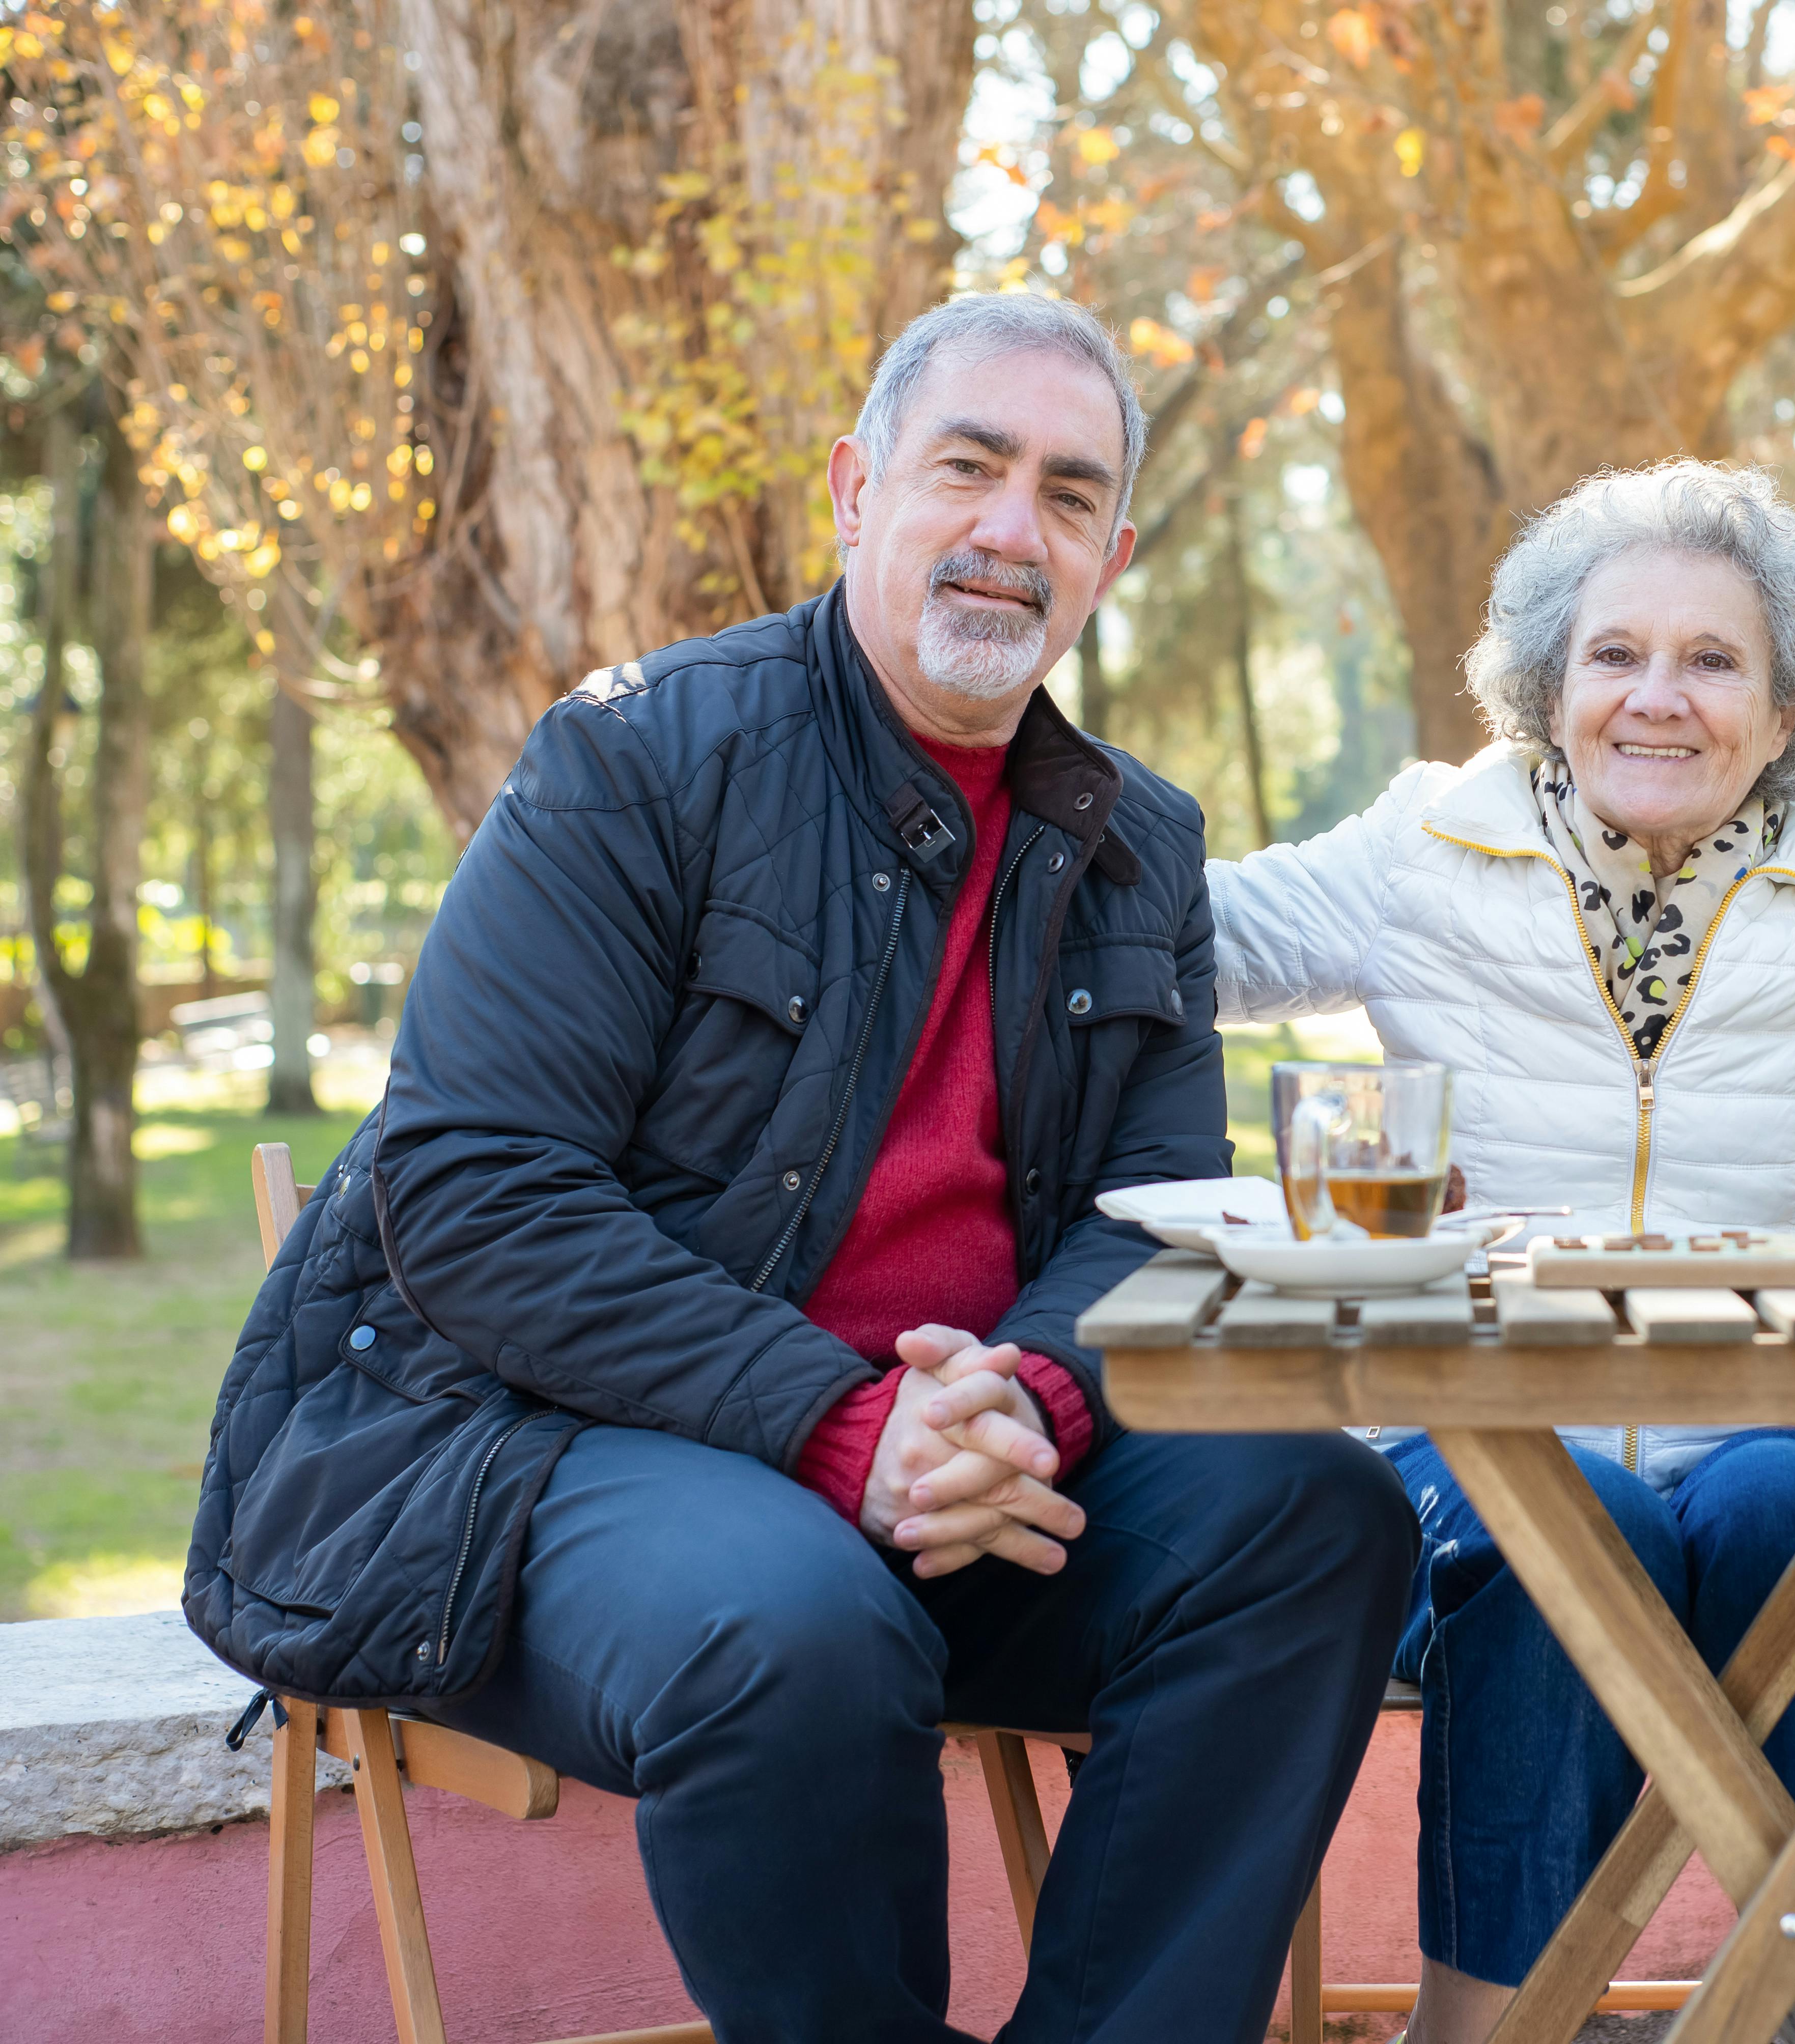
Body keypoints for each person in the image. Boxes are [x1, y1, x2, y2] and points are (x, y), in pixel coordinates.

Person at [187, 294, 1416, 2044]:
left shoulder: (1138, 844)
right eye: (968, 467)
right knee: (799, 1624)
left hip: (956, 1472)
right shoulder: (638, 760)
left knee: (1317, 1519)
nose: (1012, 529)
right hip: (547, 1453)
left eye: (1069, 496)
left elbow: (1150, 1221)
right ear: (855, 490)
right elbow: (476, 1194)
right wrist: (846, 1427)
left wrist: (1021, 1408)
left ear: (1112, 560)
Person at [1204, 460, 1795, 2041]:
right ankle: (1480, 2032)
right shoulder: (1422, 850)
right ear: (1550, 685)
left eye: (1713, 659)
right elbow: (1175, 943)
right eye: (1615, 654)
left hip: (1764, 1432)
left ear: (1786, 706)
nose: (1657, 698)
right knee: (1569, 1528)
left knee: (1791, 1510)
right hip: (1461, 1460)